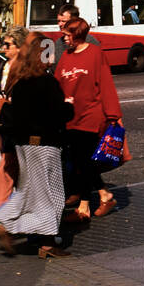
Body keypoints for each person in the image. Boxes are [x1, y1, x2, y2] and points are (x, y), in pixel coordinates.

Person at [0, 32, 74, 257]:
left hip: (23, 144)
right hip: (44, 144)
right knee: (52, 194)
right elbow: (55, 115)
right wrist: (69, 106)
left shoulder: (20, 80)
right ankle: (45, 243)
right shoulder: (46, 82)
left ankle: (5, 223)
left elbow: (20, 114)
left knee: (29, 191)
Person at [54, 16, 121, 220]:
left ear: (77, 35)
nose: (63, 38)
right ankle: (104, 194)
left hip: (91, 116)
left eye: (66, 35)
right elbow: (57, 85)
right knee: (80, 161)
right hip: (70, 118)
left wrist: (113, 116)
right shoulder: (66, 56)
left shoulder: (95, 54)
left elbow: (106, 84)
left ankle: (84, 207)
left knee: (83, 160)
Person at [0, 27, 25, 204]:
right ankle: (3, 211)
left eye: (8, 45)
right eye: (4, 44)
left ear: (20, 46)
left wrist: (10, 101)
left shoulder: (28, 69)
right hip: (2, 125)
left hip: (20, 127)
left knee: (13, 168)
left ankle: (3, 211)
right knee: (6, 166)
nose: (4, 48)